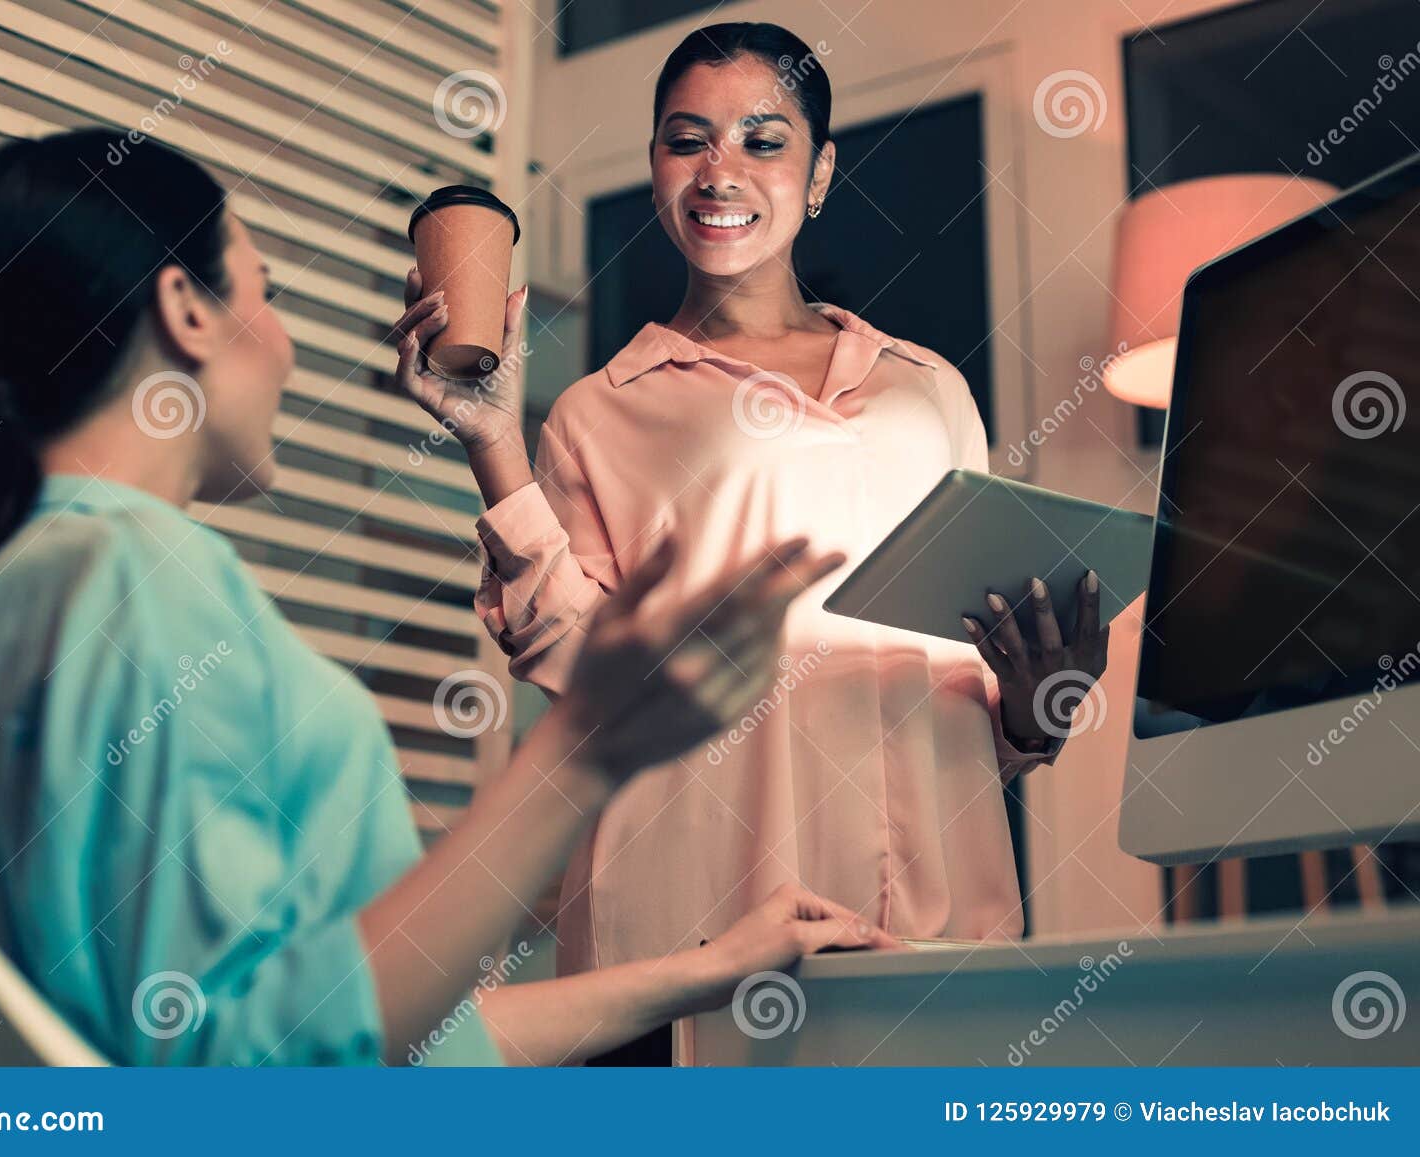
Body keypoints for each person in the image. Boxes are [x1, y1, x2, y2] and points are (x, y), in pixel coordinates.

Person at [0, 129, 895, 1067]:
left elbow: (369, 1033)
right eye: (268, 296)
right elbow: (270, 1073)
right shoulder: (136, 584)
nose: (284, 349)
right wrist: (586, 746)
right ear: (186, 312)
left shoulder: (22, 586)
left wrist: (709, 966)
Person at [392, 21, 1112, 1011]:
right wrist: (488, 439)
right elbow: (580, 668)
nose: (717, 171)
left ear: (818, 174)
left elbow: (958, 707)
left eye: (762, 141)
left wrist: (1040, 698)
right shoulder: (600, 411)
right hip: (689, 937)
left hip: (930, 946)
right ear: (654, 168)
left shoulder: (929, 391)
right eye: (686, 139)